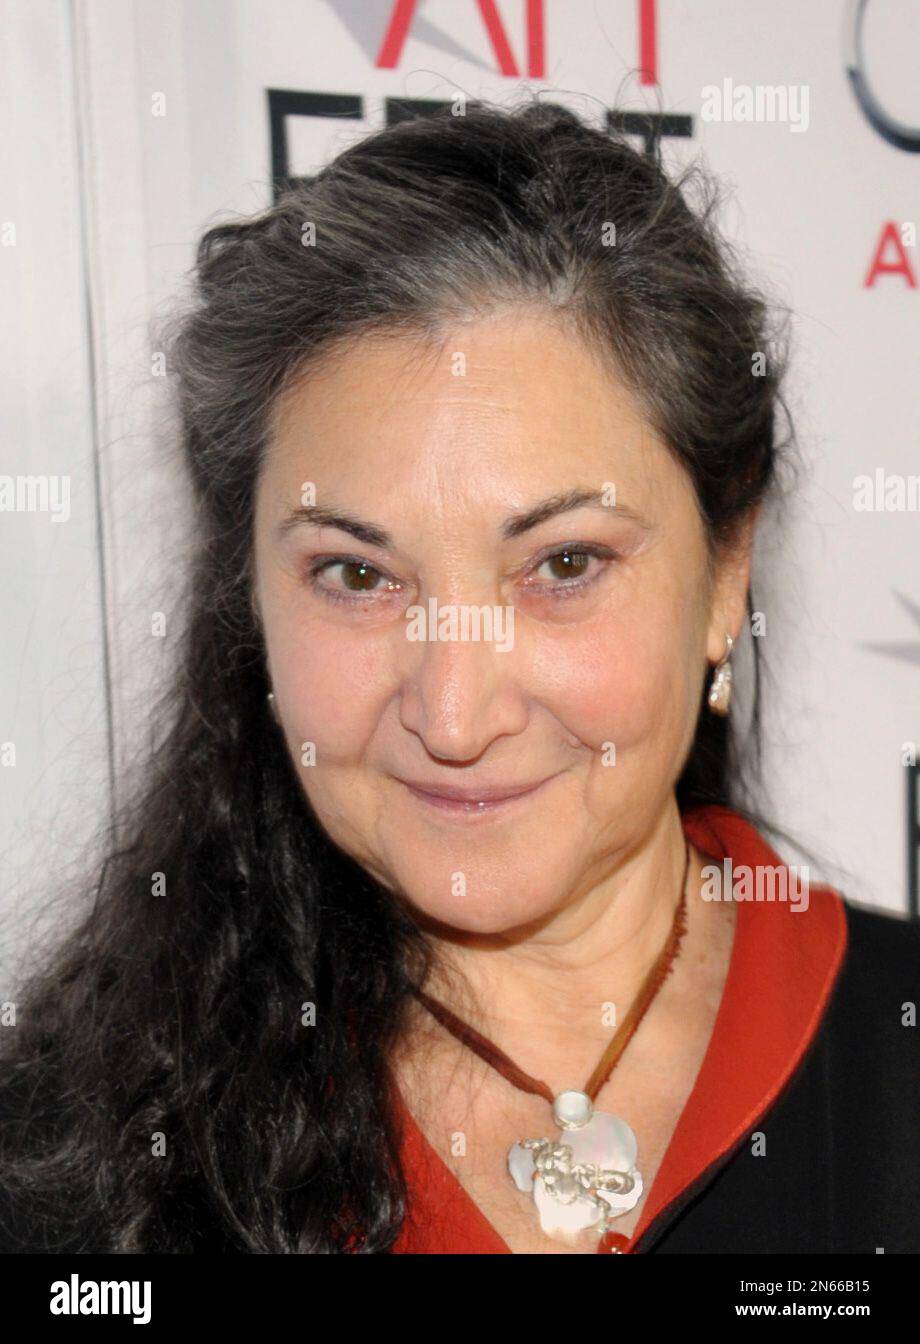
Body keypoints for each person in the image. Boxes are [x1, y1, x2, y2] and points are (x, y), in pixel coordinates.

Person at [0, 100, 917, 1255]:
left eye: (563, 564)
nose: (452, 712)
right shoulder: (66, 1173)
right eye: (353, 574)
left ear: (724, 571)